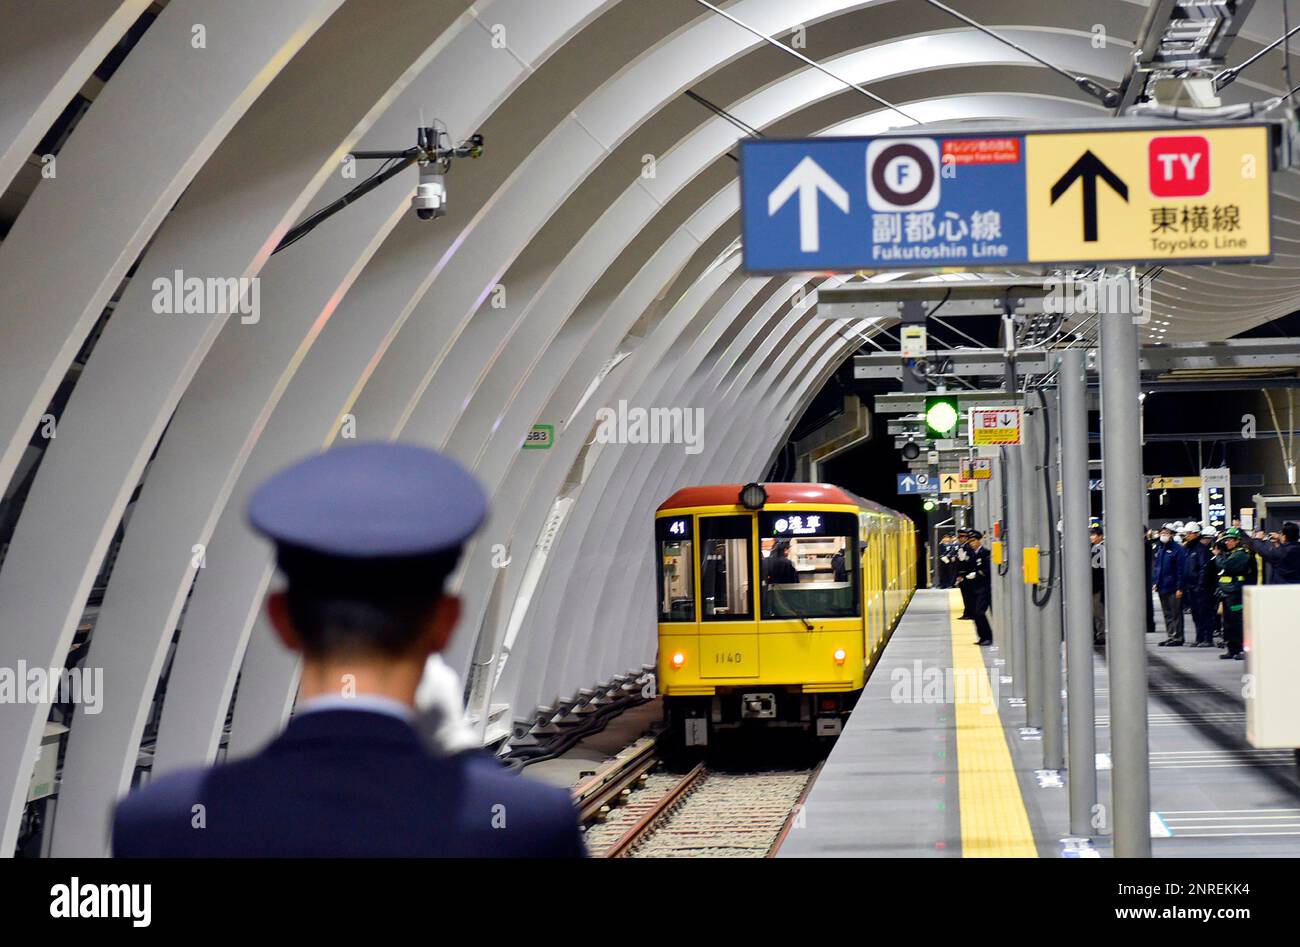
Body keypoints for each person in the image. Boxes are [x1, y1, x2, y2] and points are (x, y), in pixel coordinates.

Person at [113, 443, 586, 857]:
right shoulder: (528, 825)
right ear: (445, 624)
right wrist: (464, 757)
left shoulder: (161, 821)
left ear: (281, 620)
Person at [1212, 527, 1251, 660]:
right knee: (1228, 622)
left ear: (1237, 541)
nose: (1227, 543)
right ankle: (1232, 648)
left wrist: (1218, 556)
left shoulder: (1241, 554)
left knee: (1237, 621)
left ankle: (1241, 649)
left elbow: (1227, 566)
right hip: (1227, 593)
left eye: (1229, 540)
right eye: (1226, 540)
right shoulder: (1229, 554)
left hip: (1236, 593)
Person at [1179, 522, 1215, 647]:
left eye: (1189, 533)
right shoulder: (1188, 549)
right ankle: (1199, 637)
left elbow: (1204, 568)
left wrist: (1201, 585)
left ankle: (1207, 638)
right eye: (1186, 534)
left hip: (1201, 588)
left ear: (1196, 534)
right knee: (1196, 614)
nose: (1187, 536)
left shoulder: (1201, 549)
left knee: (1204, 613)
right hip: (1191, 587)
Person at [1152, 523, 1186, 645]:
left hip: (1173, 587)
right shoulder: (1161, 549)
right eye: (1162, 533)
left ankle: (1178, 637)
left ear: (1171, 535)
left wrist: (1180, 587)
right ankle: (1171, 635)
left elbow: (1181, 570)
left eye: (1166, 533)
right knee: (1167, 613)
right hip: (1162, 586)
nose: (1163, 535)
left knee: (1175, 612)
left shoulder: (1178, 550)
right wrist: (1156, 582)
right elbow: (1158, 568)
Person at [961, 530, 994, 645]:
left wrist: (977, 574)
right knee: (975, 614)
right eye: (970, 541)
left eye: (974, 541)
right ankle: (981, 637)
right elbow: (968, 567)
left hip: (983, 588)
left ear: (979, 541)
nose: (971, 543)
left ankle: (988, 637)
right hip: (973, 588)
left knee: (980, 612)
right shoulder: (971, 554)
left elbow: (987, 570)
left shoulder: (985, 553)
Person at [1089, 526, 1106, 644]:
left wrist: (1098, 586)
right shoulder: (1093, 548)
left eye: (1094, 535)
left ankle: (1101, 635)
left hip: (1097, 587)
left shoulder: (1101, 549)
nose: (1091, 537)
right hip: (1093, 586)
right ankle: (1096, 634)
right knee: (1094, 612)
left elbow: (1099, 570)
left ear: (1101, 536)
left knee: (1098, 612)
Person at [954, 529, 973, 618]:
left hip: (966, 576)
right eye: (959, 537)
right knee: (965, 596)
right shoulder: (961, 547)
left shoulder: (968, 547)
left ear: (966, 538)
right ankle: (967, 613)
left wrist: (962, 575)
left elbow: (969, 563)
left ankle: (969, 613)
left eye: (962, 537)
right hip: (962, 575)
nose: (960, 539)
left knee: (967, 596)